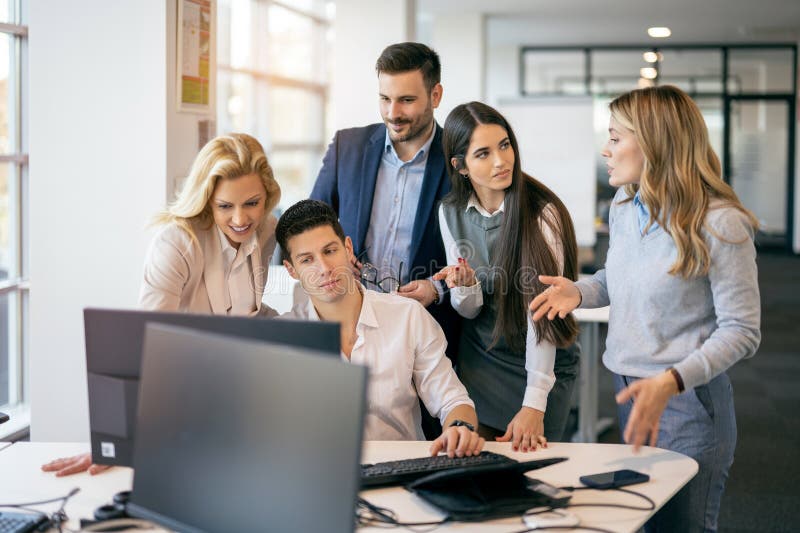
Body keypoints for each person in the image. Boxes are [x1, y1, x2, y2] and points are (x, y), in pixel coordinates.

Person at [529, 85, 760, 532]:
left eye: (616, 138)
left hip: (686, 401)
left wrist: (670, 382)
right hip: (629, 391)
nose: (605, 149)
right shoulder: (624, 204)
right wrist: (578, 292)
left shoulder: (720, 221)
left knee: (680, 527)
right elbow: (616, 279)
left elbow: (743, 331)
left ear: (654, 142)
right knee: (644, 521)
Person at [42, 133, 282, 477]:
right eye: (225, 206)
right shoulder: (178, 243)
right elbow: (147, 345)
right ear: (207, 199)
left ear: (267, 197)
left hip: (237, 402)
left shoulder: (265, 231)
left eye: (252, 203)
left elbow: (251, 315)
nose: (241, 218)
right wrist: (118, 441)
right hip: (179, 402)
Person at [278, 199, 485, 456]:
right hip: (321, 477)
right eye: (307, 259)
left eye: (330, 251)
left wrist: (460, 429)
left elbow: (453, 401)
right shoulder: (280, 338)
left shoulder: (407, 316)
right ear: (291, 270)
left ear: (348, 247)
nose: (324, 269)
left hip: (403, 473)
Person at [433, 102, 579, 452]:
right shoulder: (450, 212)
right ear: (460, 166)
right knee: (480, 475)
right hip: (481, 364)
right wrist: (466, 285)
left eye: (504, 145)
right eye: (483, 153)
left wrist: (534, 403)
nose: (501, 160)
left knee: (534, 476)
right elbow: (469, 311)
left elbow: (541, 313)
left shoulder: (543, 213)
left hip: (542, 366)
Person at [310, 42, 459, 356]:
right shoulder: (347, 147)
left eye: (406, 100)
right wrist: (336, 257)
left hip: (425, 332)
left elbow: (483, 256)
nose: (393, 113)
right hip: (348, 323)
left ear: (435, 96)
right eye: (385, 99)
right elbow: (309, 223)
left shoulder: (460, 160)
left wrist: (438, 287)